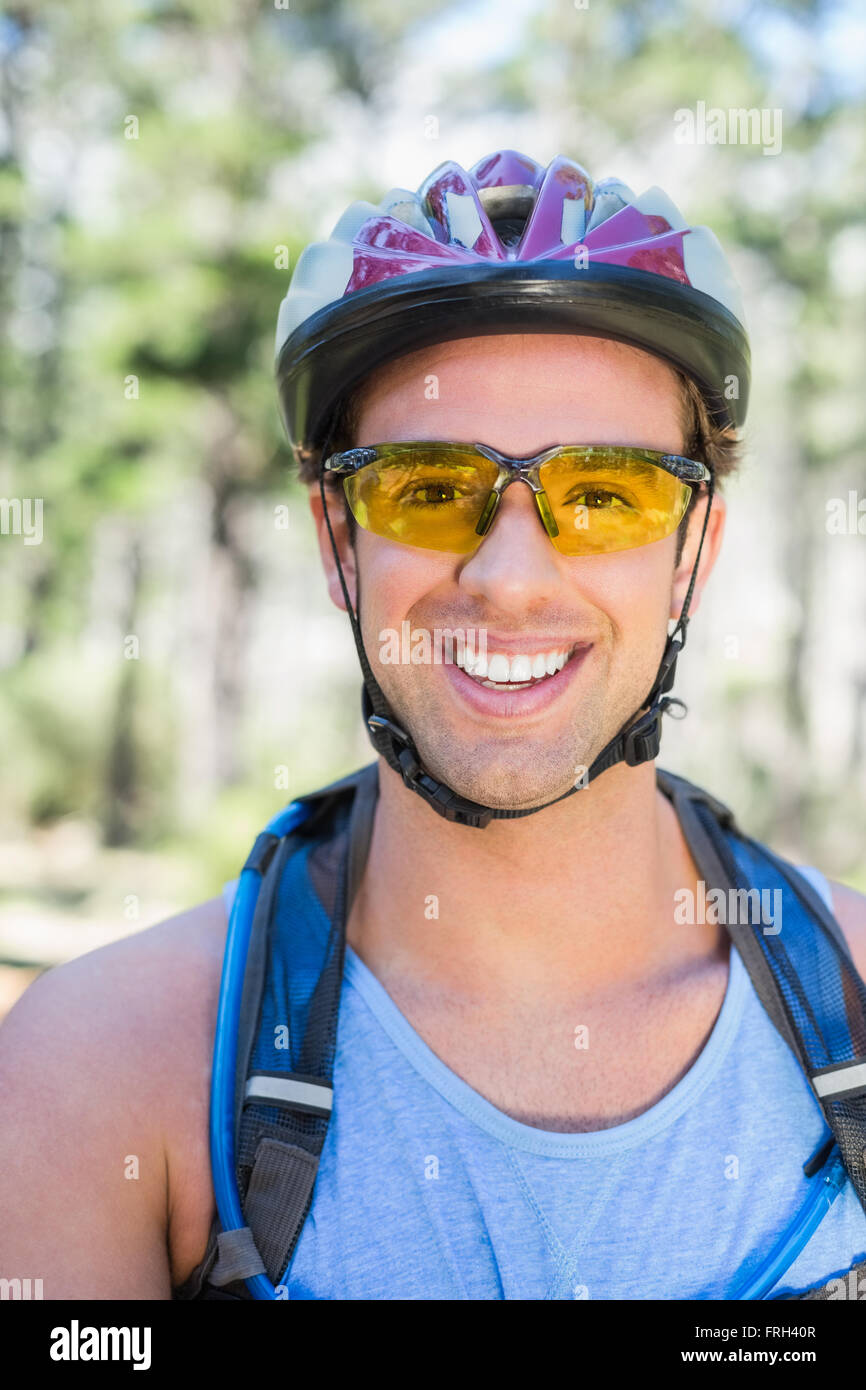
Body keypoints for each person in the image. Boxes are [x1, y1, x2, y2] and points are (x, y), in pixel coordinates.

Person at [1, 150, 865, 1301]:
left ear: (692, 553)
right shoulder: (95, 1071)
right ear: (335, 541)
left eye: (608, 493)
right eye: (426, 486)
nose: (510, 578)